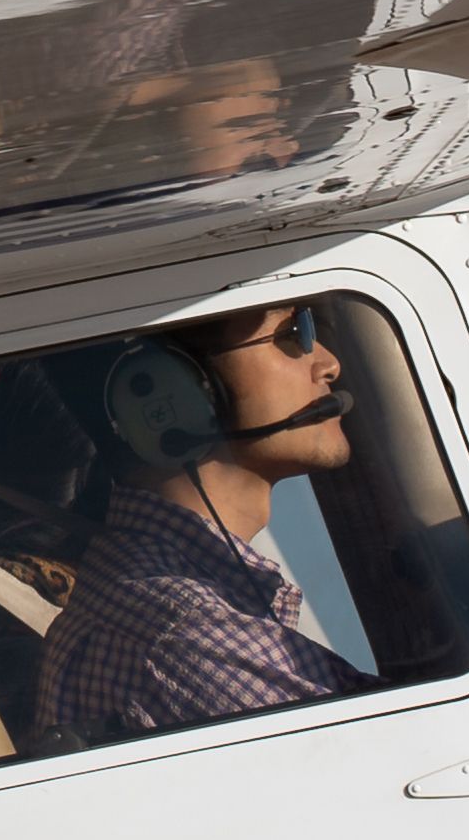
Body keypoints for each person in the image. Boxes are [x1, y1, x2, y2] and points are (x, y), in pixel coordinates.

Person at [33, 300, 372, 749]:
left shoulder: (170, 593)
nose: (328, 363)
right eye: (292, 333)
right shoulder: (185, 636)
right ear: (164, 393)